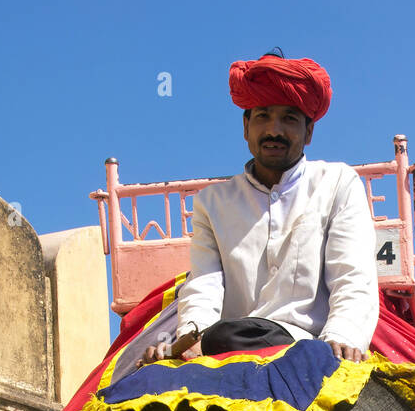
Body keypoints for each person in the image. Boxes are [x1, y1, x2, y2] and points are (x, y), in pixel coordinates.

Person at [141, 53, 378, 366]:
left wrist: (342, 339)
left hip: (308, 344)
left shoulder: (338, 183)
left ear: (308, 132)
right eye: (263, 116)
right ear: (245, 126)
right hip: (227, 345)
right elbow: (204, 285)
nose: (274, 131)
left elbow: (352, 276)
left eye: (289, 119)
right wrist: (192, 336)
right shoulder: (212, 204)